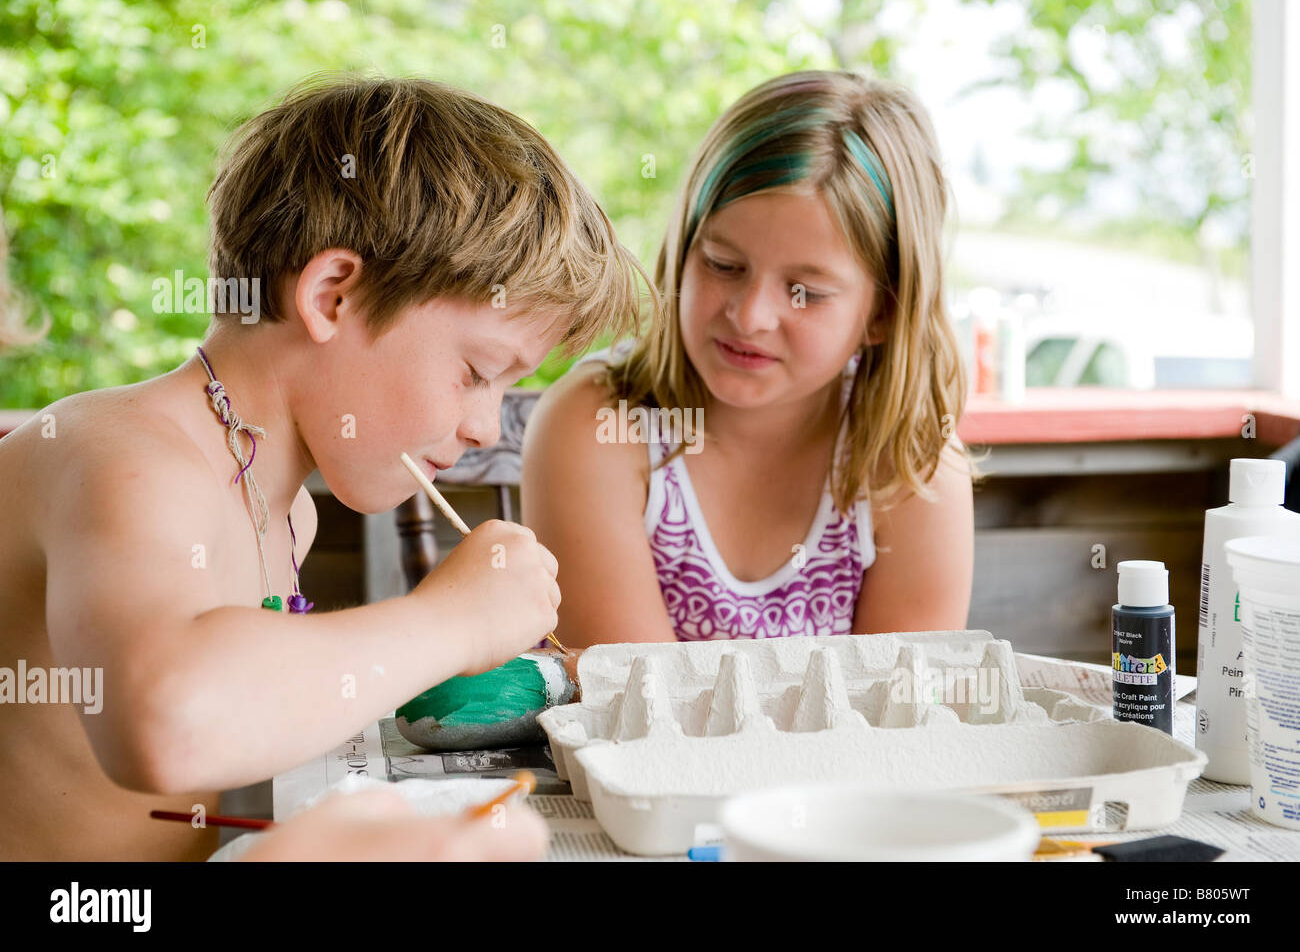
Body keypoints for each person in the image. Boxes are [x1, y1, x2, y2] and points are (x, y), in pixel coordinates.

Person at [0, 75, 646, 860]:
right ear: (332, 295)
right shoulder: (123, 456)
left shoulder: (286, 506)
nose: (484, 424)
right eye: (477, 372)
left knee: (494, 835)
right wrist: (454, 619)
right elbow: (164, 722)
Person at [523, 70, 974, 646]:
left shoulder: (912, 463)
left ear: (883, 312)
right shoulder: (597, 426)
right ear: (684, 250)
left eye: (805, 292)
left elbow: (902, 719)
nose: (750, 314)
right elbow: (631, 710)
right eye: (723, 264)